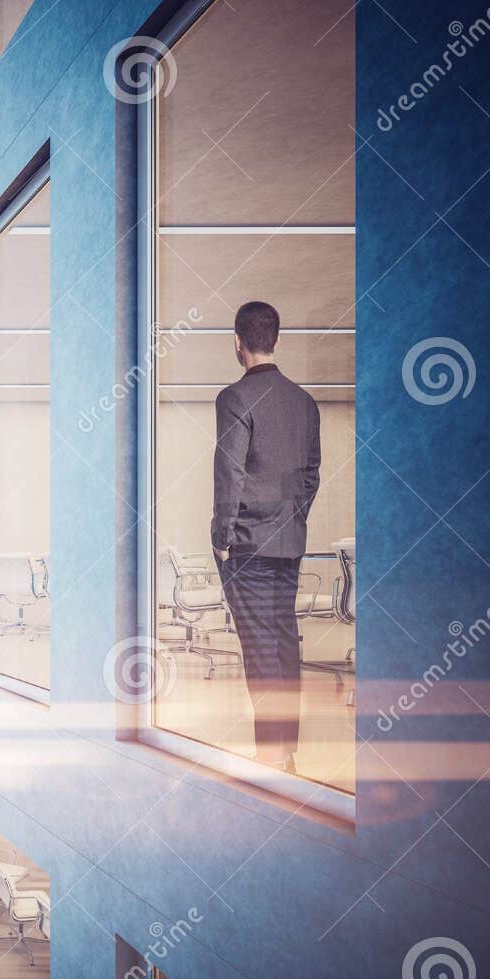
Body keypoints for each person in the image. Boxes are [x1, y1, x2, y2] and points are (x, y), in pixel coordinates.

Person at [211, 301, 321, 774]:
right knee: (283, 644)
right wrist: (291, 518)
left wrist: (222, 535)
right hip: (288, 543)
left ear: (238, 341)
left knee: (259, 649)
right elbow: (312, 475)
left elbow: (229, 473)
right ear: (274, 339)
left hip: (248, 544)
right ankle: (286, 751)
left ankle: (270, 759)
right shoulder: (304, 402)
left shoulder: (234, 398)